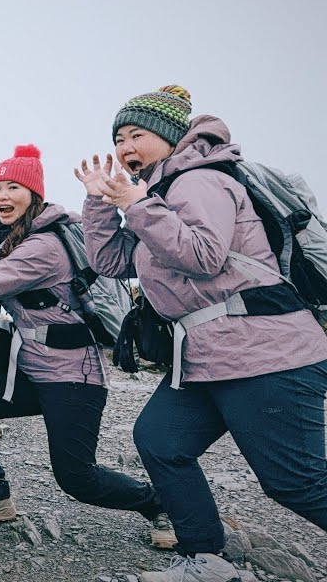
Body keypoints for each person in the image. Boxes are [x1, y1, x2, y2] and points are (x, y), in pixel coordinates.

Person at [77, 85, 327, 582]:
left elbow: (203, 256)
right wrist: (103, 204)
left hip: (268, 352)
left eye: (137, 135)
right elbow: (110, 261)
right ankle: (205, 557)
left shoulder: (200, 182)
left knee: (294, 482)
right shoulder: (160, 193)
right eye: (119, 137)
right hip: (207, 358)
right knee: (161, 440)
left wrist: (136, 203)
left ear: (171, 137)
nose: (126, 148)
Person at [0, 144, 174, 549]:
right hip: (34, 369)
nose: (2, 197)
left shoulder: (43, 248)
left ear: (34, 194)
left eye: (13, 187)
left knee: (77, 477)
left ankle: (163, 504)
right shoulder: (22, 238)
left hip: (73, 376)